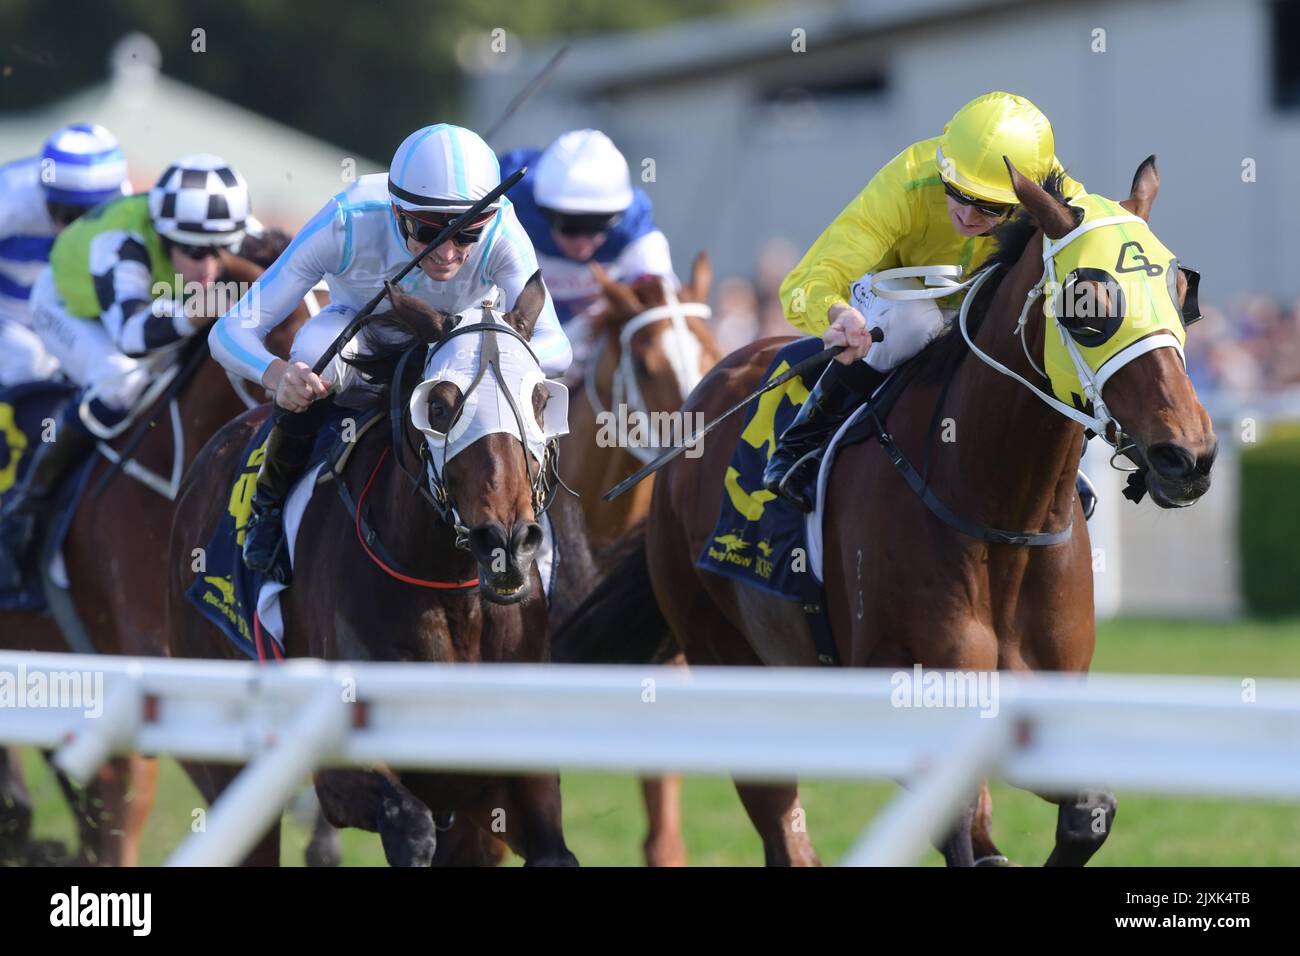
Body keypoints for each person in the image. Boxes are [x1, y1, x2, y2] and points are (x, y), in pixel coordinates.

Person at [208, 123, 571, 584]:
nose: (447, 253)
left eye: (466, 237)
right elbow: (229, 331)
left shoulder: (501, 226)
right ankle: (270, 502)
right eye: (427, 231)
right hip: (362, 334)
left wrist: (498, 354)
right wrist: (278, 375)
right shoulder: (346, 219)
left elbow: (558, 344)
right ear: (397, 210)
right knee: (314, 351)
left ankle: (534, 523)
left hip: (462, 351)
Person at [763, 91, 1097, 516]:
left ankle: (1061, 464)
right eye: (957, 191)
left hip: (982, 305)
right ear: (942, 168)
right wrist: (837, 312)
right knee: (915, 323)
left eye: (992, 206)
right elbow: (809, 277)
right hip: (897, 292)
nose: (969, 216)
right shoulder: (905, 178)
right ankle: (803, 440)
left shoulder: (1060, 195)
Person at [0, 154, 251, 588]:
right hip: (69, 307)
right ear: (162, 234)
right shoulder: (121, 243)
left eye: (220, 251)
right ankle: (27, 505)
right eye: (193, 253)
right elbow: (132, 336)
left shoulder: (209, 226)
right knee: (122, 379)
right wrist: (195, 313)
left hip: (138, 307)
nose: (210, 268)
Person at [499, 129, 674, 365]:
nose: (583, 243)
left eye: (598, 225)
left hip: (591, 353)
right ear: (545, 212)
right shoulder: (511, 198)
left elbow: (663, 295)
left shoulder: (632, 221)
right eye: (570, 226)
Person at [0, 123, 130, 386]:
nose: (71, 229)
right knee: (26, 361)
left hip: (58, 316)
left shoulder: (125, 209)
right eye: (65, 213)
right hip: (7, 315)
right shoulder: (9, 196)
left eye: (88, 216)